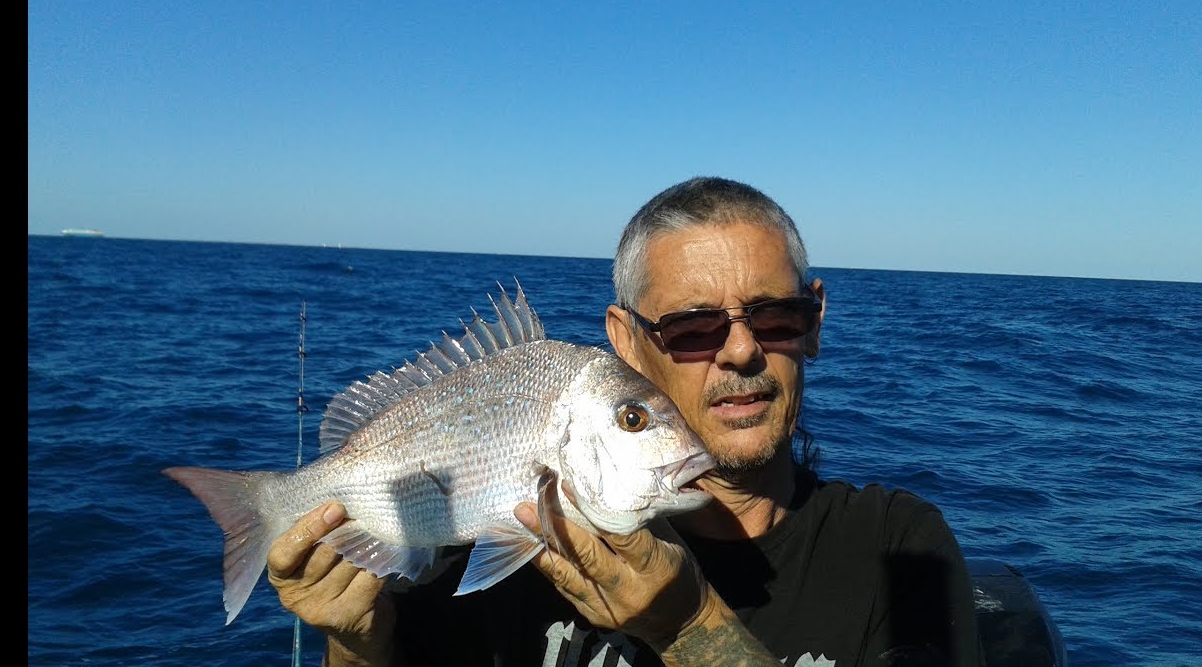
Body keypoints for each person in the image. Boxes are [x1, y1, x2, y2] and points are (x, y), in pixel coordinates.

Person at [266, 176, 981, 666]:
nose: (740, 349)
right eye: (693, 328)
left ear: (815, 323)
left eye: (775, 316)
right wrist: (357, 645)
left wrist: (689, 626)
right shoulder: (485, 538)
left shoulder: (897, 550)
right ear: (629, 341)